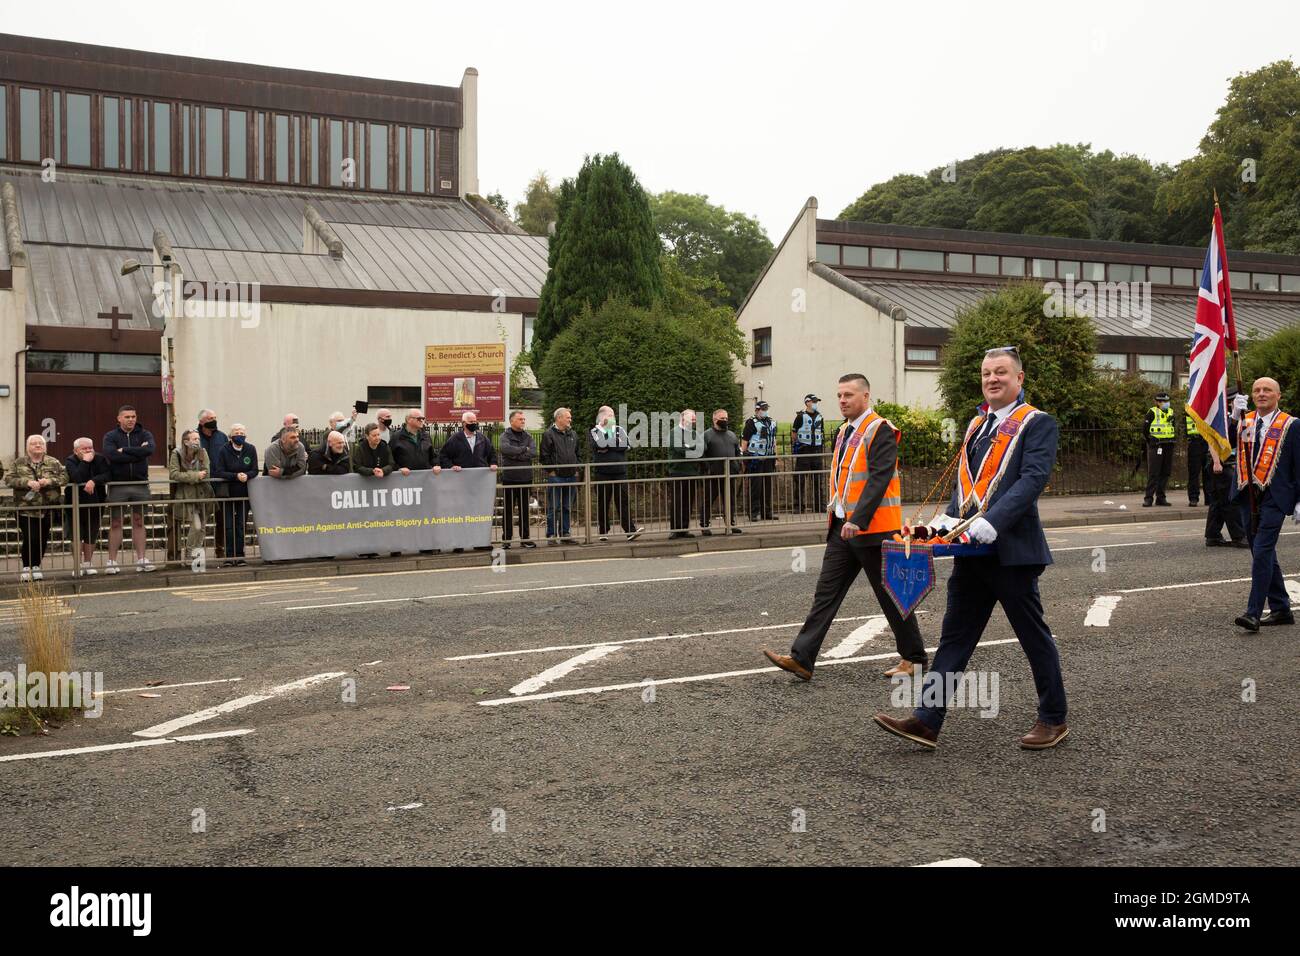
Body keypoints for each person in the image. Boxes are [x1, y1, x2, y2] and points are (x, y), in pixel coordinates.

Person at [873, 347, 1069, 751]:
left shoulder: (1037, 423)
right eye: (986, 373)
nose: (992, 379)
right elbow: (967, 486)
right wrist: (943, 523)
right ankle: (927, 721)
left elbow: (1031, 480)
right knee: (954, 639)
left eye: (1001, 372)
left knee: (1033, 637)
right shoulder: (978, 424)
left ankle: (1053, 718)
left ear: (1020, 378)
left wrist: (992, 522)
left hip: (1011, 552)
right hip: (970, 552)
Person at [763, 374, 926, 682]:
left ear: (866, 396)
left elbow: (878, 479)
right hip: (842, 528)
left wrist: (858, 519)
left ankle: (914, 658)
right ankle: (803, 658)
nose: (842, 400)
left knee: (891, 595)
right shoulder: (844, 432)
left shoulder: (881, 430)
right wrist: (843, 518)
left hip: (873, 530)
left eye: (848, 395)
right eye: (839, 395)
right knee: (825, 593)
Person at [1231, 377, 1300, 631]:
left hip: (1275, 496)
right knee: (1262, 551)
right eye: (1257, 390)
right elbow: (1229, 445)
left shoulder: (1292, 425)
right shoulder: (1245, 420)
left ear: (1278, 395)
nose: (1261, 394)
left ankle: (1253, 613)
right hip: (1247, 494)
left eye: (1267, 390)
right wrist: (1234, 416)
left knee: (1261, 551)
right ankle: (1282, 608)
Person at [103, 404, 156, 573]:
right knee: (116, 523)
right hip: (118, 486)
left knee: (139, 522)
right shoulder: (110, 436)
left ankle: (141, 559)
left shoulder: (145, 434)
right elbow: (111, 455)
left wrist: (125, 450)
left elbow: (149, 450)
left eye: (133, 416)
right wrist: (137, 452)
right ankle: (111, 561)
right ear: (119, 419)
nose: (131, 420)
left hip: (140, 485)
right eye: (127, 417)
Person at [9, 435, 67, 581]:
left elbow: (65, 477)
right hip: (25, 507)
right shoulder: (18, 462)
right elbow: (9, 479)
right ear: (28, 447)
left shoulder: (53, 462)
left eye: (40, 443)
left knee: (42, 538)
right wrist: (26, 482)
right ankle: (26, 567)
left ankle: (36, 566)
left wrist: (49, 481)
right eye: (34, 443)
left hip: (47, 507)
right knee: (30, 537)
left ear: (45, 446)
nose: (37, 446)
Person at [589, 406, 642, 542]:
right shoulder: (595, 430)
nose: (613, 417)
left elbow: (627, 445)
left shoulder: (620, 429)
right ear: (603, 417)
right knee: (603, 502)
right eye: (610, 415)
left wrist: (609, 444)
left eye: (613, 415)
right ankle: (603, 531)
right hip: (602, 473)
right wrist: (614, 444)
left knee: (623, 501)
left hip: (620, 472)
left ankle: (630, 530)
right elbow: (600, 445)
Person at [1204, 395, 1247, 549]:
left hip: (1232, 463)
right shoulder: (1219, 417)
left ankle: (1213, 535)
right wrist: (1216, 461)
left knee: (1218, 502)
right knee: (1230, 501)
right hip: (1222, 464)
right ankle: (1239, 536)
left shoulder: (1241, 416)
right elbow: (1212, 440)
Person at [64, 437, 111, 576]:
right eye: (84, 448)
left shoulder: (100, 459)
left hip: (96, 502)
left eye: (90, 448)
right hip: (74, 503)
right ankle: (77, 565)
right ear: (76, 450)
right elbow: (77, 477)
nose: (89, 451)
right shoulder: (70, 461)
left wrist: (93, 481)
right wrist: (85, 461)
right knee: (76, 535)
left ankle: (88, 563)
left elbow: (107, 474)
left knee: (91, 533)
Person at [212, 424, 257, 566]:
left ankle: (240, 555)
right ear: (231, 436)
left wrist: (247, 475)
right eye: (237, 432)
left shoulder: (251, 449)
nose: (240, 435)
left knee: (240, 526)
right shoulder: (224, 450)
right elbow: (219, 471)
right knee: (228, 526)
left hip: (244, 494)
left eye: (242, 432)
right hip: (228, 494)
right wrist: (236, 476)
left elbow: (255, 469)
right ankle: (229, 556)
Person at [169, 429, 213, 560]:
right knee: (197, 526)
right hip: (186, 495)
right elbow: (174, 474)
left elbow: (206, 472)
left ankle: (195, 555)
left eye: (198, 439)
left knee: (202, 528)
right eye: (194, 439)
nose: (197, 441)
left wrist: (196, 476)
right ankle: (190, 554)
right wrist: (195, 475)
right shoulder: (176, 453)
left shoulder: (202, 452)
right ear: (186, 441)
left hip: (203, 494)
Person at [540, 407, 580, 545]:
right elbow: (544, 455)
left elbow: (577, 453)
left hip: (571, 476)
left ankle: (565, 533)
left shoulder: (573, 434)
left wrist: (576, 469)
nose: (570, 419)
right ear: (559, 418)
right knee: (554, 507)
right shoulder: (548, 434)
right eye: (568, 417)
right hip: (556, 476)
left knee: (567, 507)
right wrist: (551, 471)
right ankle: (551, 535)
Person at [499, 410, 538, 549]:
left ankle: (525, 538)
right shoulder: (505, 435)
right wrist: (523, 450)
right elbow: (505, 449)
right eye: (520, 419)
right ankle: (506, 540)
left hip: (525, 478)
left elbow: (533, 452)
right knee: (508, 511)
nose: (523, 421)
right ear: (512, 421)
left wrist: (516, 454)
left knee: (524, 510)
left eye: (523, 419)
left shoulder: (528, 436)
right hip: (510, 479)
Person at [700, 408, 742, 535]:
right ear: (714, 419)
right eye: (722, 418)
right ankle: (704, 525)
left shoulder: (732, 435)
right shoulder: (707, 435)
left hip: (730, 473)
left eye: (726, 418)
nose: (725, 420)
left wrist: (737, 465)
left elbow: (737, 452)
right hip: (713, 474)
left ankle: (730, 524)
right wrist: (708, 468)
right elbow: (701, 454)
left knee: (730, 500)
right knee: (709, 499)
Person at [667, 409, 701, 539]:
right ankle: (675, 529)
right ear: (683, 419)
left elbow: (701, 448)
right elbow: (679, 449)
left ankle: (684, 528)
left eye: (694, 420)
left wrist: (690, 448)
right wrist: (693, 449)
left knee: (688, 501)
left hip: (691, 472)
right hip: (678, 472)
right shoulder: (674, 433)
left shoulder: (694, 433)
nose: (693, 422)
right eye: (691, 420)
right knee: (677, 501)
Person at [198, 410, 228, 559]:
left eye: (215, 418)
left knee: (221, 519)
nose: (214, 420)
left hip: (219, 483)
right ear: (202, 421)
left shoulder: (222, 437)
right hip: (201, 485)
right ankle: (197, 553)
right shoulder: (194, 437)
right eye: (211, 418)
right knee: (199, 521)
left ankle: (220, 549)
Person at [742, 400, 777, 521]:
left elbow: (773, 440)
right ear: (757, 410)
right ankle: (753, 513)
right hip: (755, 458)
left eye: (766, 408)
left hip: (768, 458)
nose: (765, 411)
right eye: (763, 409)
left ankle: (767, 512)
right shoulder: (751, 422)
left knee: (767, 486)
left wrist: (775, 456)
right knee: (755, 487)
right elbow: (745, 440)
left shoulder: (771, 422)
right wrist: (744, 457)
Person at [792, 393, 827, 514]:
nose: (815, 404)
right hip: (804, 451)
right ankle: (799, 506)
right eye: (813, 401)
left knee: (818, 480)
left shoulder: (819, 416)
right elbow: (794, 434)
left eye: (816, 402)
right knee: (800, 480)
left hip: (816, 451)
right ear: (807, 403)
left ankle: (819, 506)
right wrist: (798, 445)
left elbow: (821, 432)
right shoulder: (800, 416)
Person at [1143, 391, 1175, 507]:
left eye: (1166, 401)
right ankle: (1148, 498)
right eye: (1162, 401)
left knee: (1165, 473)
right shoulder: (1152, 412)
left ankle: (1161, 498)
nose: (1165, 403)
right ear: (1156, 402)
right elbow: (1145, 430)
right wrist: (1151, 441)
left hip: (1168, 445)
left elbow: (1173, 427)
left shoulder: (1171, 412)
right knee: (1154, 473)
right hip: (1157, 445)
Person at [391, 410, 434, 475]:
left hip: (424, 477)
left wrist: (436, 465)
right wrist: (398, 468)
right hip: (404, 478)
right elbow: (390, 459)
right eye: (419, 419)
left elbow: (433, 456)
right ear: (408, 419)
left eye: (423, 418)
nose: (422, 421)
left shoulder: (426, 436)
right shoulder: (396, 437)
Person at [1185, 407, 1208, 506]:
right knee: (1194, 473)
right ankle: (1193, 498)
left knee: (1208, 473)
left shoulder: (1208, 407)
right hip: (1195, 442)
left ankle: (1209, 498)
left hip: (1207, 441)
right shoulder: (1190, 410)